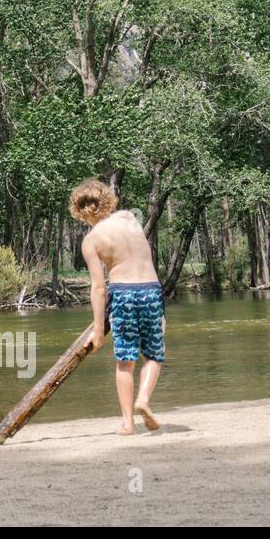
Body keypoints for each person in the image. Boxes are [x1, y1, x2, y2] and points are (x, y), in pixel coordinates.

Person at [71, 178, 165, 435]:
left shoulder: (91, 240)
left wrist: (98, 330)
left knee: (125, 360)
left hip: (123, 293)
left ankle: (127, 423)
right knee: (153, 354)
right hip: (151, 289)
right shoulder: (128, 218)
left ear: (80, 211)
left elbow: (98, 288)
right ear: (108, 200)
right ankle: (143, 399)